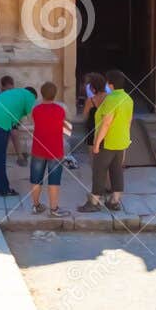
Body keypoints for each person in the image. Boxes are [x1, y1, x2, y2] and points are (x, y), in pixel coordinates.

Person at [79, 68, 134, 213]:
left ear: (111, 84)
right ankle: (115, 201)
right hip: (121, 140)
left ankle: (95, 202)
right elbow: (129, 121)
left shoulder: (111, 100)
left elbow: (106, 123)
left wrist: (97, 143)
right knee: (117, 171)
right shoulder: (128, 98)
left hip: (107, 142)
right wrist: (126, 140)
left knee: (99, 171)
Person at [0, 81, 37, 197]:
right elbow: (33, 119)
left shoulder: (15, 93)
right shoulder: (30, 96)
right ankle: (3, 189)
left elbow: (14, 118)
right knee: (0, 157)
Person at [29, 81, 71, 216]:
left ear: (41, 94)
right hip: (55, 150)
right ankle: (54, 209)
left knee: (36, 179)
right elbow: (66, 128)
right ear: (55, 94)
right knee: (54, 180)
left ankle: (36, 206)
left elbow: (34, 122)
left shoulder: (36, 110)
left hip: (38, 149)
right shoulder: (60, 110)